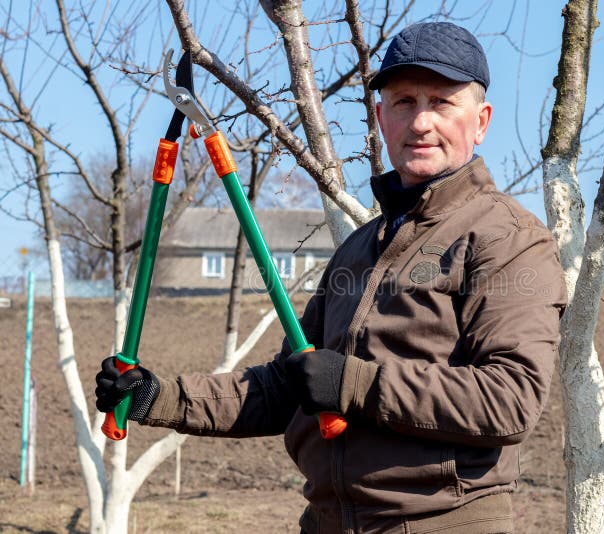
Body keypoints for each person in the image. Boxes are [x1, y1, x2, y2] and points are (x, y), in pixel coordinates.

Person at [96, 21, 567, 534]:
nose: (421, 122)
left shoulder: (508, 239)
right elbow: (287, 385)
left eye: (441, 102)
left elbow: (510, 399)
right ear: (382, 117)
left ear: (481, 122)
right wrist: (157, 396)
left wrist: (353, 383)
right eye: (404, 101)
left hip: (442, 522)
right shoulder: (361, 247)